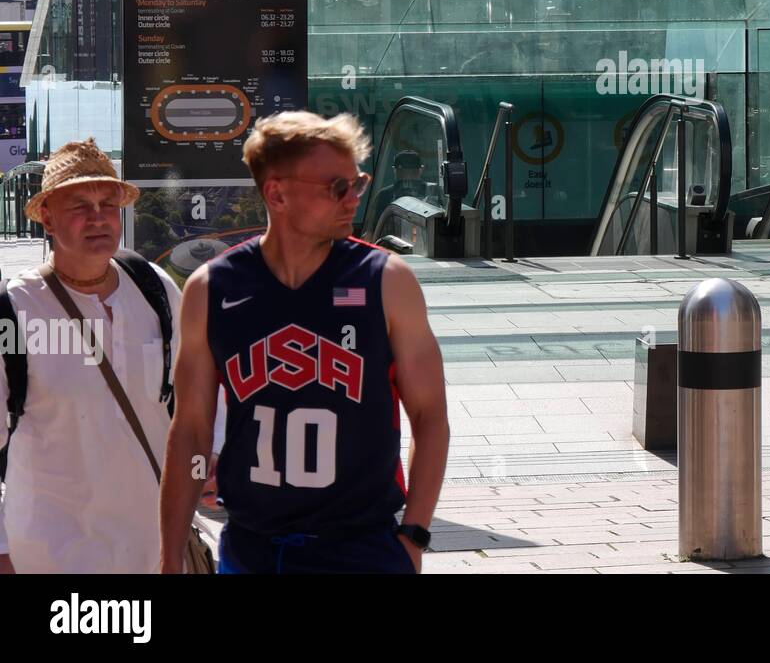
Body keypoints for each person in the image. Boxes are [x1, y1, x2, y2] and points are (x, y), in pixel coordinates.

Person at [159, 111, 450, 574]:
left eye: (357, 183)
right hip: (251, 548)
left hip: (361, 548)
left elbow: (430, 416)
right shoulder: (211, 288)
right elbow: (191, 433)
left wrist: (413, 534)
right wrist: (171, 554)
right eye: (337, 187)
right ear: (276, 192)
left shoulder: (386, 281)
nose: (353, 198)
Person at [0, 139, 197, 573]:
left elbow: (195, 399)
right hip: (52, 548)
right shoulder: (15, 309)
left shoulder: (155, 288)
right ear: (47, 217)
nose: (98, 218)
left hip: (152, 545)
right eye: (79, 205)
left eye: (108, 204)